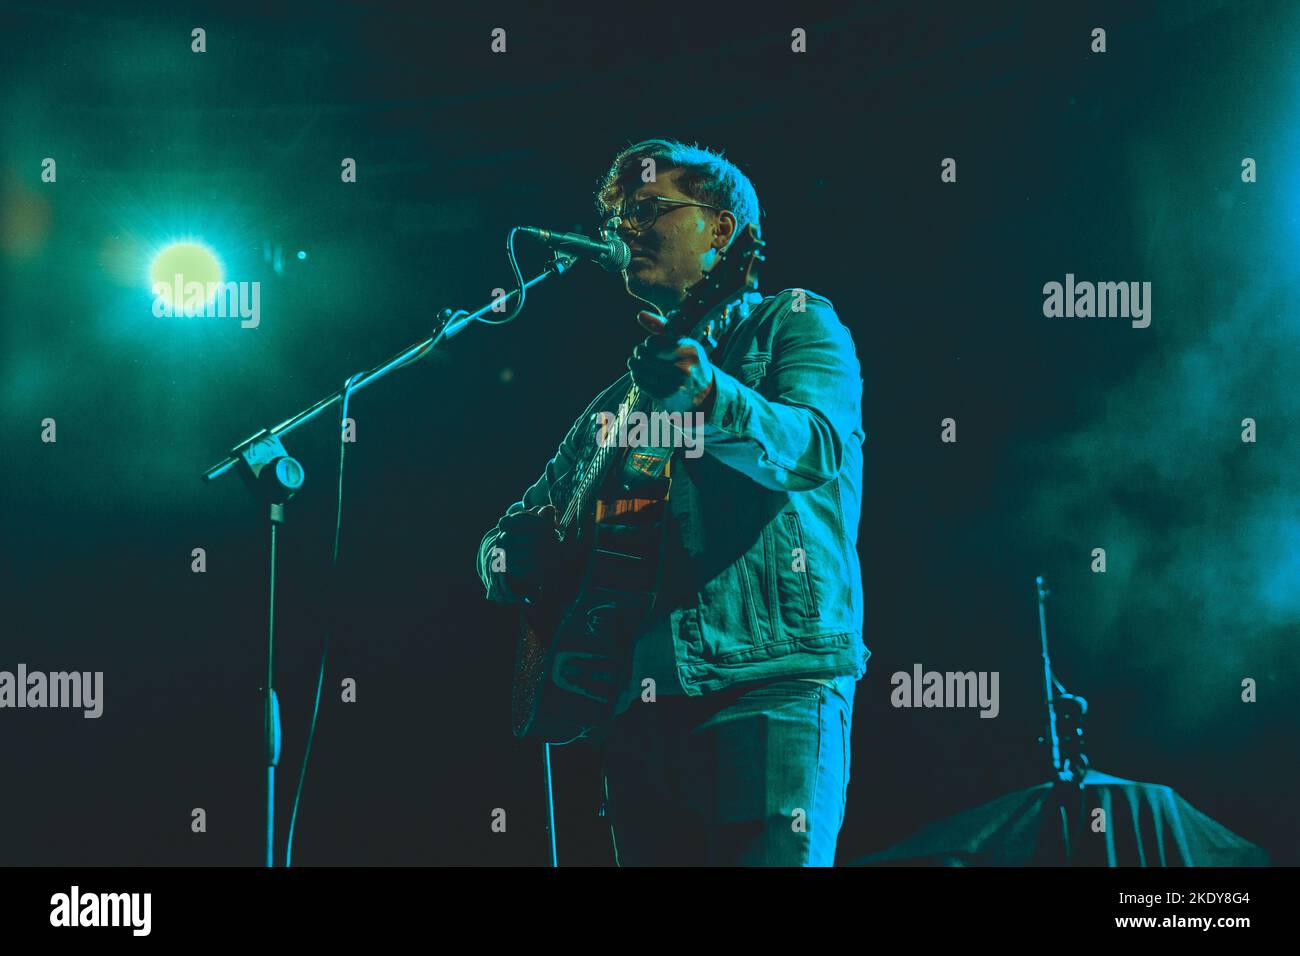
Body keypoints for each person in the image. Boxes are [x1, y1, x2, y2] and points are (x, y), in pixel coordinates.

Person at [477, 139, 867, 865]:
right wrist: (506, 556)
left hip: (768, 687)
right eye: (615, 213)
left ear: (723, 231)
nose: (623, 227)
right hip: (636, 711)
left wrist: (708, 394)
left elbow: (815, 448)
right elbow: (504, 535)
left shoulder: (796, 322)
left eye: (648, 208)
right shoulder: (618, 401)